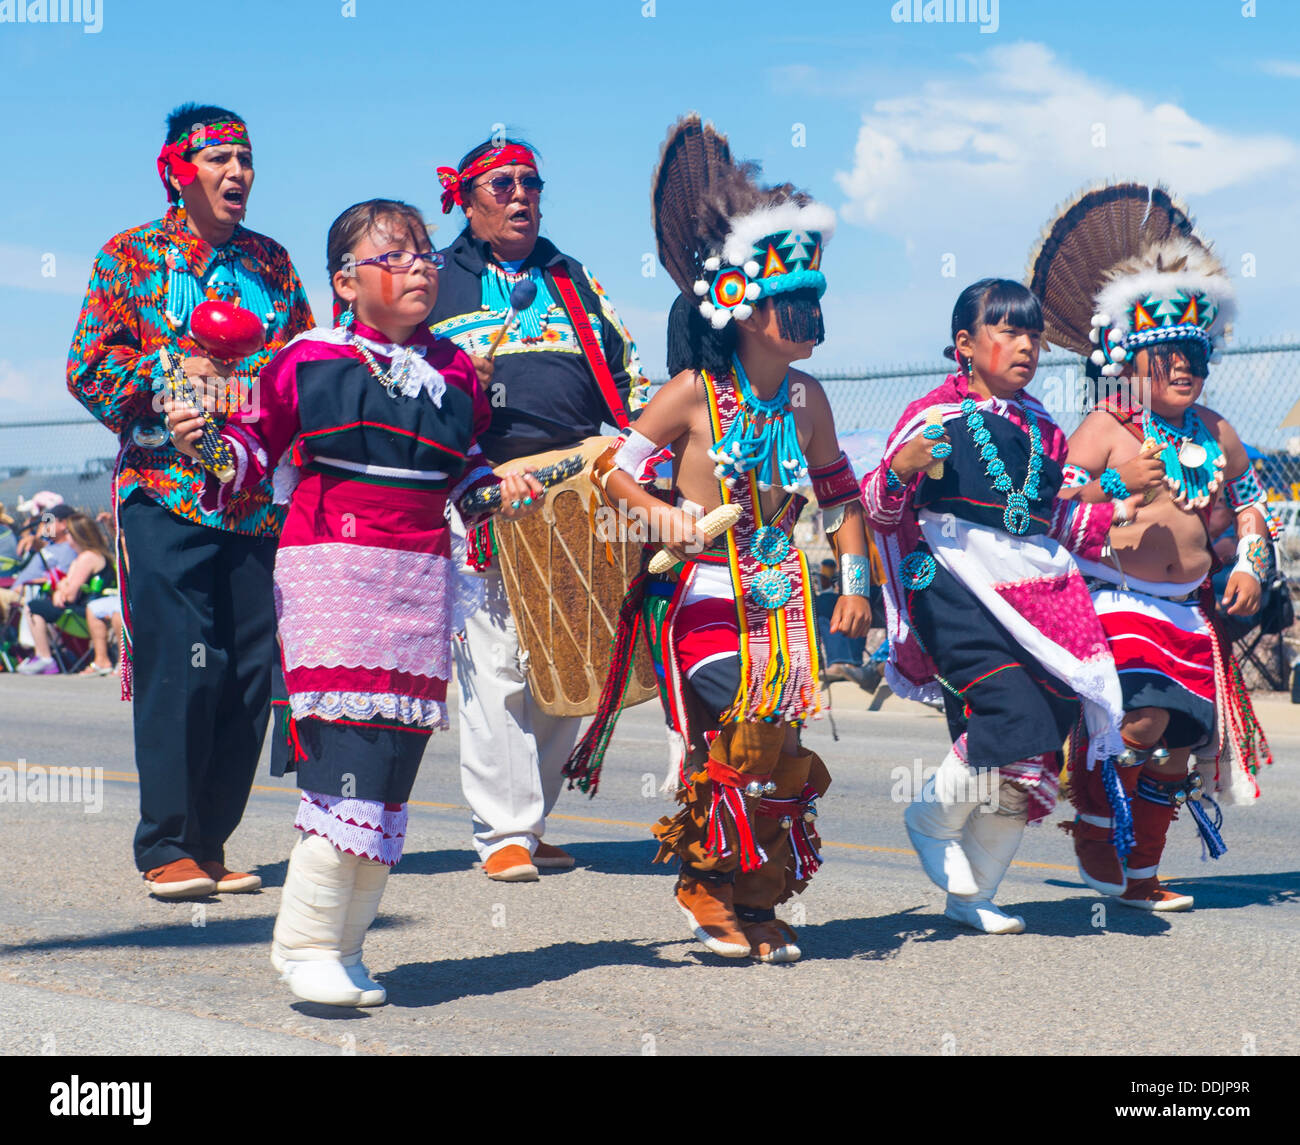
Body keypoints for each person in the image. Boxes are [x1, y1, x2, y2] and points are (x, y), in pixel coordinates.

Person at [169, 198, 540, 1006]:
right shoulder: (306, 360)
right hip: (334, 578)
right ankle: (303, 945)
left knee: (394, 775)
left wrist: (499, 491)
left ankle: (344, 947)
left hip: (420, 585)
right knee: (348, 768)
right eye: (395, 257)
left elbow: (464, 471)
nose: (418, 269)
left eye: (423, 257)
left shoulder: (453, 374)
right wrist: (203, 436)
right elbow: (247, 454)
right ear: (345, 279)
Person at [566, 116, 871, 962]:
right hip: (703, 592)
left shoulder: (808, 399)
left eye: (814, 300)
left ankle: (757, 897)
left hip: (786, 602)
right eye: (790, 302)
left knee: (781, 752)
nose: (807, 316)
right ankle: (705, 882)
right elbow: (616, 469)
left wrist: (855, 581)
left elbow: (842, 493)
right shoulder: (693, 393)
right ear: (740, 307)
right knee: (739, 734)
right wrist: (660, 514)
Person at [67, 103, 314, 899]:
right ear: (178, 168)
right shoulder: (128, 258)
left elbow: (305, 362)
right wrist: (171, 381)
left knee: (247, 673)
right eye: (220, 159)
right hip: (164, 491)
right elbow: (88, 367)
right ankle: (166, 843)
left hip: (256, 500)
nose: (238, 172)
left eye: (246, 158)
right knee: (182, 666)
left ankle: (211, 840)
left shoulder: (274, 263)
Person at [1029, 182, 1273, 911]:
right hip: (1120, 601)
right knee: (1140, 721)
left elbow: (1257, 503)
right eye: (1166, 352)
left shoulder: (1219, 430)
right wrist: (1111, 483)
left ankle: (1141, 871)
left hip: (1191, 615)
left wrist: (1254, 564)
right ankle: (1096, 829)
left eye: (1195, 351)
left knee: (1176, 747)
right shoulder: (1106, 425)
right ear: (1131, 358)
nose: (1182, 365)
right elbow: (1050, 503)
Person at [862, 279, 1132, 933]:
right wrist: (901, 469)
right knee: (1010, 709)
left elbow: (1058, 518)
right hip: (951, 587)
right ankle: (928, 816)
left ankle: (974, 892)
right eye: (1007, 332)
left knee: (1041, 740)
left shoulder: (1043, 427)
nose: (1025, 346)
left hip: (1029, 595)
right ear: (965, 344)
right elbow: (875, 504)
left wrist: (1124, 496)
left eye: (1033, 335)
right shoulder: (935, 416)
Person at [429, 136, 650, 881]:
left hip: (582, 483)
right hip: (484, 485)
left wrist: (656, 442)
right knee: (494, 663)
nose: (522, 196)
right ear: (465, 197)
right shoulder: (433, 282)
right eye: (503, 185)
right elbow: (399, 380)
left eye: (531, 182)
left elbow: (629, 372)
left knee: (577, 653)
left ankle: (533, 817)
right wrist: (461, 381)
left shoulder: (570, 277)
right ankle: (504, 832)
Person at [20, 512, 117, 675]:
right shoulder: (92, 555)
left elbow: (69, 595)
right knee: (38, 606)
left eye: (68, 533)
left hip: (83, 612)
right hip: (88, 608)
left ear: (78, 535)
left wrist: (61, 589)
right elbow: (65, 585)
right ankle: (43, 656)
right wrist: (62, 587)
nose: (67, 538)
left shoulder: (87, 557)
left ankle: (45, 657)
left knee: (33, 606)